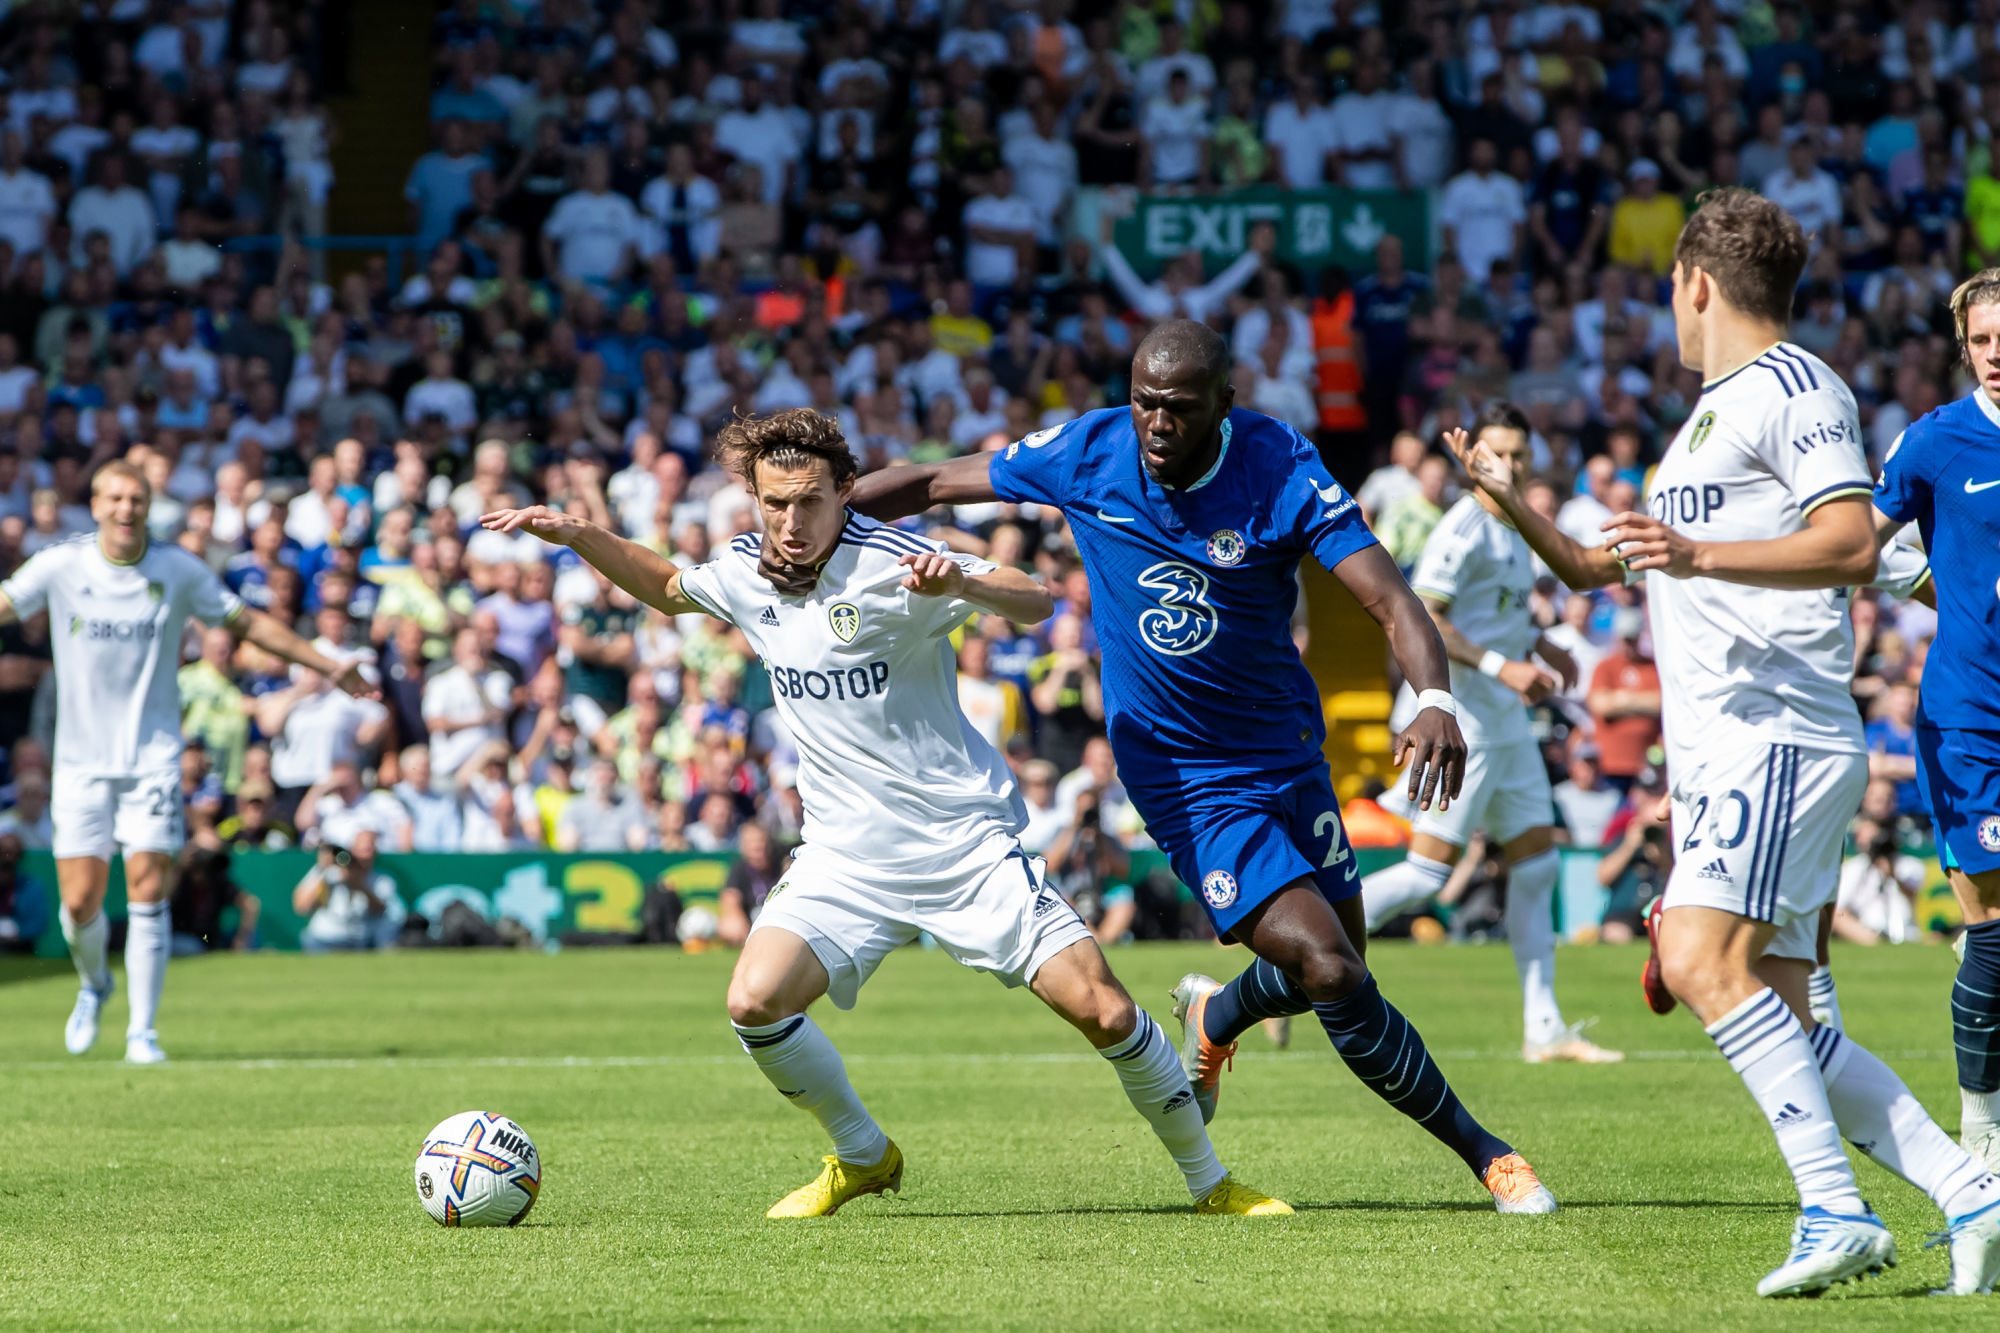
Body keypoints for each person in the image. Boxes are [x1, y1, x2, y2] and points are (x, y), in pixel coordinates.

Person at [481, 408, 1286, 1219]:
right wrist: (582, 533)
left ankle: (1211, 1182)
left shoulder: (893, 559)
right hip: (845, 858)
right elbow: (663, 586)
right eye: (773, 503)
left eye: (808, 502)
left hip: (962, 846)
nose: (790, 522)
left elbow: (1036, 599)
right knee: (752, 1002)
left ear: (846, 493)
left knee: (1105, 1010)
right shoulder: (743, 569)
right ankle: (863, 1154)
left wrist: (964, 580)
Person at [850, 321, 1556, 1216]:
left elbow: (1390, 598)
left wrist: (1436, 699)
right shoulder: (1089, 446)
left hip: (1289, 753)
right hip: (1186, 775)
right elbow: (931, 479)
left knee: (1331, 966)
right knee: (1334, 971)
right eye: (1144, 399)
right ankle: (1489, 1154)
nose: (1154, 422)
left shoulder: (1277, 463)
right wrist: (819, 516)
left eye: (1179, 408)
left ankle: (1214, 1018)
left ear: (1225, 403)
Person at [1448, 188, 1999, 1296]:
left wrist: (1693, 552)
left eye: (1668, 289)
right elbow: (1607, 567)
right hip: (1722, 750)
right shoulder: (1704, 421)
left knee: (1694, 961)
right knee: (1784, 1010)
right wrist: (1513, 507)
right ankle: (1970, 1188)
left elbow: (1847, 540)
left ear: (1694, 283)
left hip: (1776, 730)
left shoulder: (1795, 387)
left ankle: (1832, 1207)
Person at [0, 461, 373, 1064]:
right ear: (95, 505)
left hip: (152, 758)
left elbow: (246, 622)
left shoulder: (176, 569)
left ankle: (142, 1033)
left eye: (137, 498)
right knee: (79, 904)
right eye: (116, 498)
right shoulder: (62, 564)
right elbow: (6, 604)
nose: (127, 509)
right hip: (80, 763)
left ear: (149, 505)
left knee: (149, 891)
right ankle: (95, 984)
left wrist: (326, 664)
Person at [1360, 401, 1620, 1064]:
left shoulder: (1515, 528)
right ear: (1474, 456)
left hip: (1506, 727)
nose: (1510, 463)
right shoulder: (1466, 527)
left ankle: (1544, 1029)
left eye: (1519, 454)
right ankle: (1294, 951)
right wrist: (1506, 667)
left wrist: (1541, 644)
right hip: (1465, 723)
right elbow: (1425, 618)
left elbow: (1498, 610)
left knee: (1536, 866)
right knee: (1424, 875)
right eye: (1496, 452)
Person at [1871, 268, 2000, 1180]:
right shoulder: (1934, 442)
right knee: (1998, 933)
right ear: (1966, 347)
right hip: (1972, 718)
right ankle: (1983, 1138)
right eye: (1985, 341)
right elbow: (1856, 549)